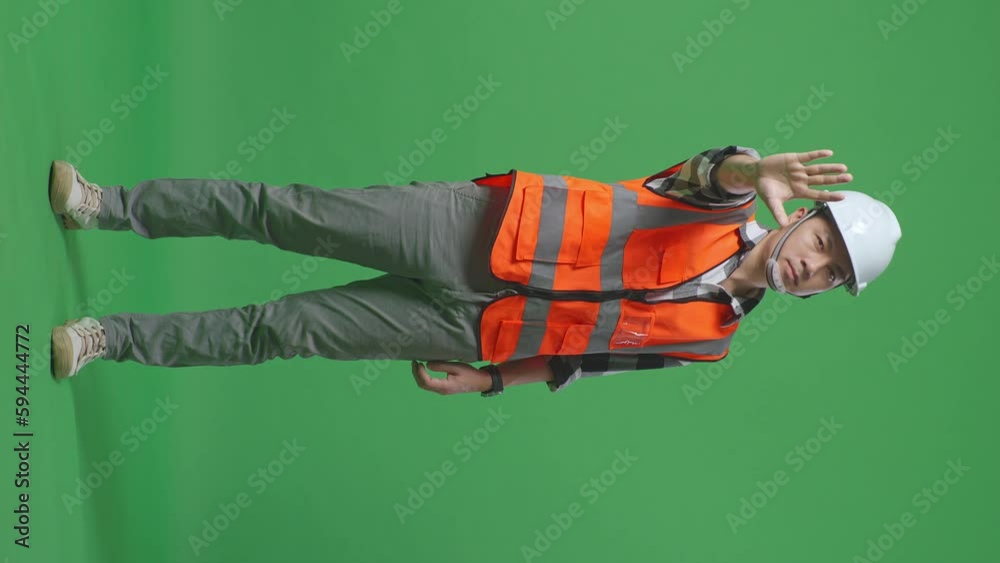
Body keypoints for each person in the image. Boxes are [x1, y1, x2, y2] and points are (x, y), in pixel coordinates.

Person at [48, 146, 901, 396]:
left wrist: (493, 384)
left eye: (829, 273)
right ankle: (106, 204)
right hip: (472, 231)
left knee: (285, 329)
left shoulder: (710, 342)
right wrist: (752, 172)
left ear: (824, 291)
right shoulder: (719, 206)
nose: (811, 264)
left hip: (474, 329)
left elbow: (588, 357)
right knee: (289, 211)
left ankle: (106, 339)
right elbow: (707, 170)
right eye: (822, 242)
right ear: (808, 217)